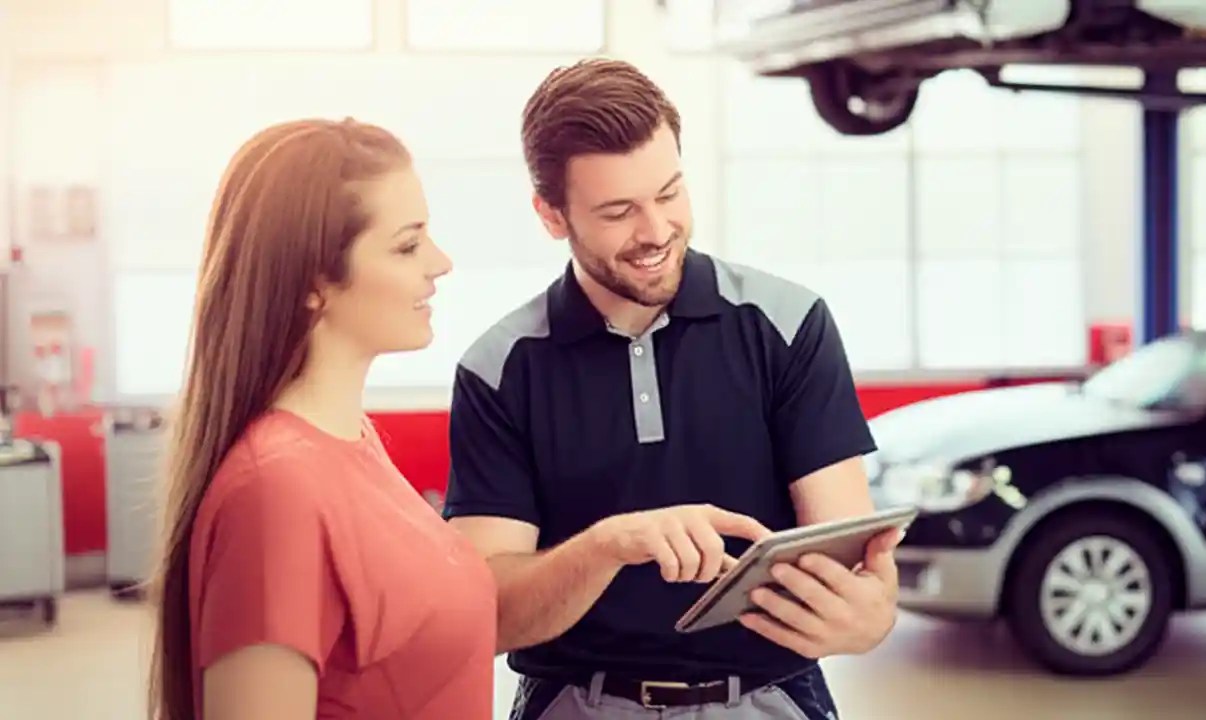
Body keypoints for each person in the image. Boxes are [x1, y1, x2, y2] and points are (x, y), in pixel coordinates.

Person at [444, 58, 901, 719]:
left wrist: (869, 614)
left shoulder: (789, 324)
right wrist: (610, 545)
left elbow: (844, 555)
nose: (656, 231)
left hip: (772, 700)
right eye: (618, 211)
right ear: (551, 215)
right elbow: (489, 616)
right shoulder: (498, 369)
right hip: (576, 705)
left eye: (669, 193)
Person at [147, 118, 495, 720]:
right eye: (407, 246)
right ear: (315, 283)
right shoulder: (275, 489)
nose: (440, 263)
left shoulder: (352, 441)